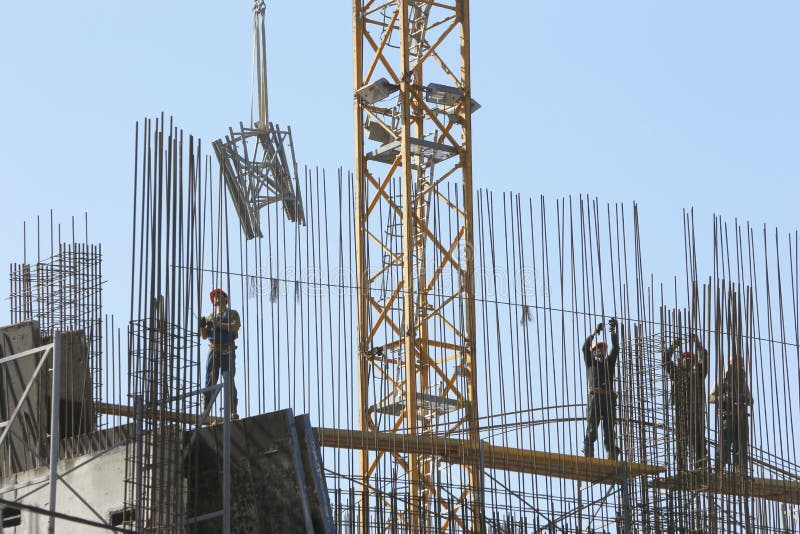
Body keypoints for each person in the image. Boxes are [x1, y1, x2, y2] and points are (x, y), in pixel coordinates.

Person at [663, 333, 709, 471]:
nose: (688, 359)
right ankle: (682, 467)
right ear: (680, 362)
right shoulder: (676, 373)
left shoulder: (699, 373)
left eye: (690, 358)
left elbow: (705, 359)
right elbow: (665, 360)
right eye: (685, 357)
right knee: (682, 438)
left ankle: (700, 465)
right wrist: (673, 346)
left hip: (696, 410)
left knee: (699, 438)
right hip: (682, 410)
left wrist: (698, 344)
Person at [582, 317, 621, 460]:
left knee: (610, 428)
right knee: (592, 426)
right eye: (597, 349)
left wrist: (613, 332)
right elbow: (584, 347)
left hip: (608, 398)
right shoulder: (590, 362)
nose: (600, 351)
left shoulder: (609, 363)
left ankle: (611, 453)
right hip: (595, 396)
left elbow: (616, 349)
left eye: (602, 349)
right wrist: (593, 333)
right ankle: (589, 451)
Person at [199, 288, 241, 418]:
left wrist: (217, 324)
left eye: (219, 295)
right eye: (215, 296)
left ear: (226, 299)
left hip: (227, 350)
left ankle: (232, 410)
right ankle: (205, 410)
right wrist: (201, 326)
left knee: (228, 380)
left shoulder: (232, 313)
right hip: (214, 349)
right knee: (210, 380)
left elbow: (234, 327)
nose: (217, 297)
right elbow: (205, 336)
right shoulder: (209, 316)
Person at [710, 354, 753, 470]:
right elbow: (711, 398)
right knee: (724, 444)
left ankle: (741, 470)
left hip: (741, 419)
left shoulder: (742, 383)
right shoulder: (721, 381)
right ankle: (719, 468)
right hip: (727, 418)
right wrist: (724, 398)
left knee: (742, 446)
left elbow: (751, 401)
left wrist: (743, 398)